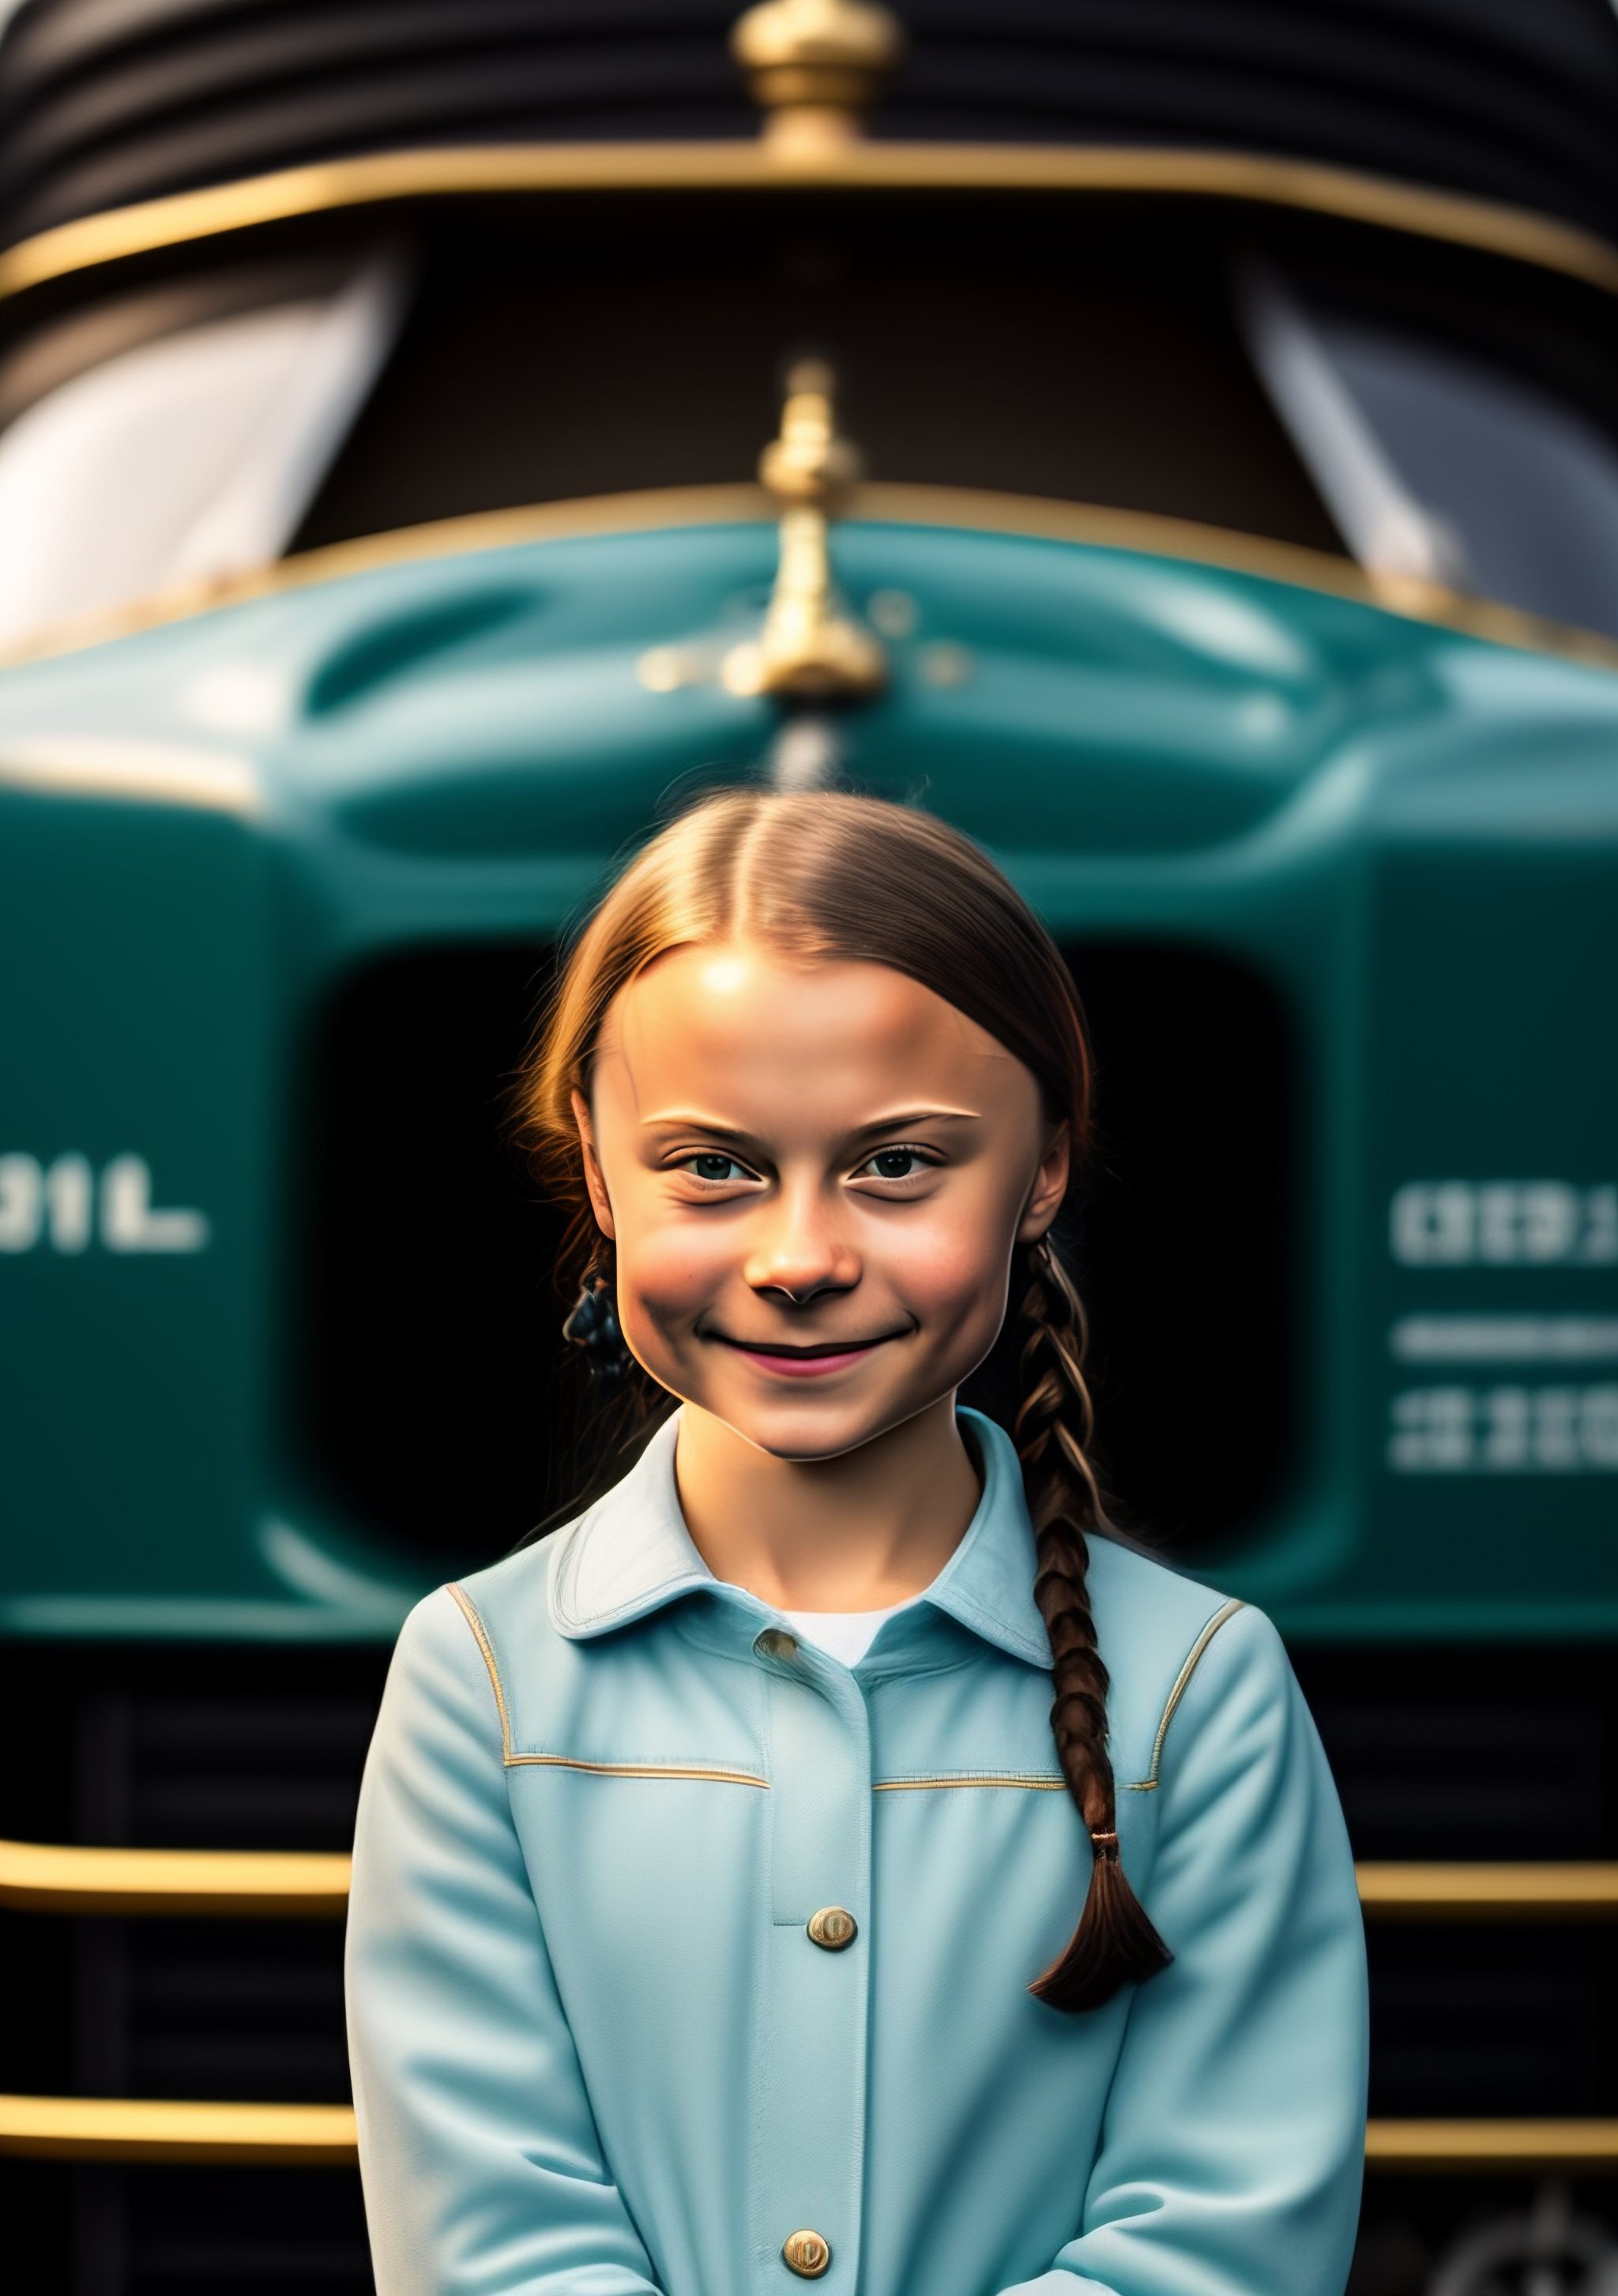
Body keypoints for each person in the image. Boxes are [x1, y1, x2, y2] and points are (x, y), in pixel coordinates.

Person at [344, 789, 1368, 2296]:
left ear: (1045, 1168)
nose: (802, 1259)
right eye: (713, 1166)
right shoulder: (477, 1681)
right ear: (597, 1167)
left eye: (895, 1166)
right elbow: (489, 2238)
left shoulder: (1202, 1693)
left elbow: (1226, 2238)